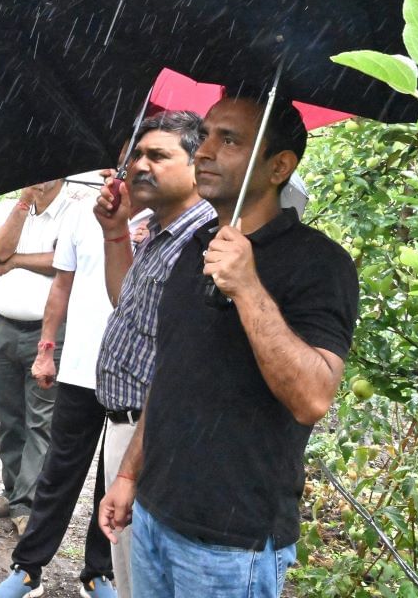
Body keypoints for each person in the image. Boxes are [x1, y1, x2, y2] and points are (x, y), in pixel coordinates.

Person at [97, 94, 359, 597]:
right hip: (154, 514)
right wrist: (129, 474)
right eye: (206, 135)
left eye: (230, 140)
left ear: (279, 166)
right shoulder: (192, 247)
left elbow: (312, 398)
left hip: (232, 542)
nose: (204, 151)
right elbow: (170, 374)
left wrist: (247, 286)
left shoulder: (320, 264)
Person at [90, 110, 214, 598]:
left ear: (197, 166)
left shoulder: (202, 242)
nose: (140, 165)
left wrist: (131, 465)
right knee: (131, 580)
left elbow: (187, 359)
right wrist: (114, 232)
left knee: (147, 583)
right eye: (138, 155)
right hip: (125, 424)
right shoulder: (162, 231)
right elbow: (126, 301)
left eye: (159, 155)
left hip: (155, 435)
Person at [0, 173, 128, 598]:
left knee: (115, 474)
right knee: (60, 469)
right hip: (81, 364)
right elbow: (62, 283)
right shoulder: (84, 215)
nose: (121, 171)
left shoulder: (168, 223)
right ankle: (28, 568)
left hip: (134, 371)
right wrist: (47, 348)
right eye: (122, 160)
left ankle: (99, 572)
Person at [0, 180, 73, 532]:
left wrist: (16, 260)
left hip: (48, 332)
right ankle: (13, 490)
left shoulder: (75, 210)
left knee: (41, 420)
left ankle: (28, 504)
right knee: (9, 415)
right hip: (4, 326)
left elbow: (64, 262)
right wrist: (23, 202)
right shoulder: (9, 206)